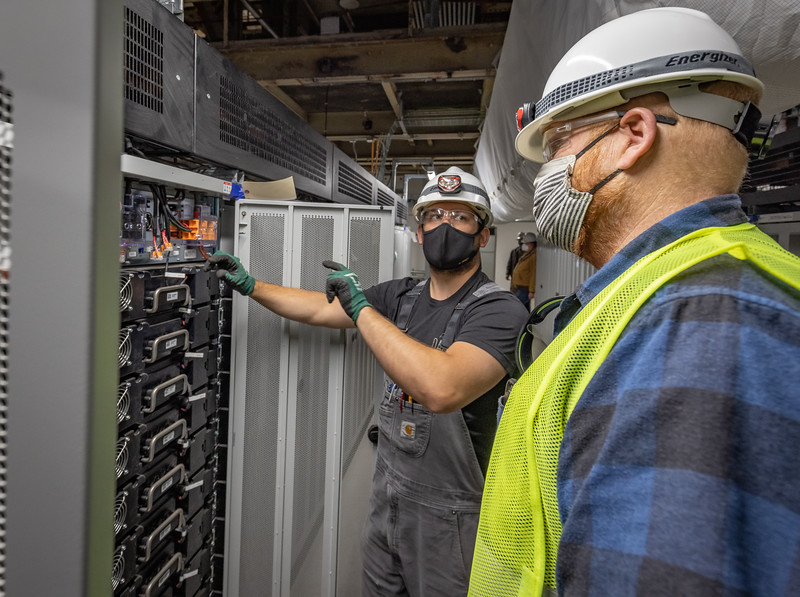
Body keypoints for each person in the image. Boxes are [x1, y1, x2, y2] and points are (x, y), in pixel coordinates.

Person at [470, 7, 800, 597]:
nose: (549, 172)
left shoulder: (701, 325)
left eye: (558, 144)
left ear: (633, 135)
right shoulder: (669, 294)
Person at [206, 166, 529, 596]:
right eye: (434, 216)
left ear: (483, 235)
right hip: (387, 502)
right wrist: (250, 285)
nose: (444, 226)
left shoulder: (500, 311)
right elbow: (319, 310)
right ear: (419, 231)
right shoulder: (402, 296)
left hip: (453, 522)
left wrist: (361, 308)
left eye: (460, 217)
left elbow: (442, 388)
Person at [510, 232, 537, 309]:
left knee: (518, 307)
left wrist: (532, 291)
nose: (524, 245)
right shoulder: (527, 254)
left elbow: (533, 274)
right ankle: (526, 321)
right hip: (520, 287)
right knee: (523, 308)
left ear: (532, 243)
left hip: (525, 289)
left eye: (526, 243)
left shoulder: (533, 256)